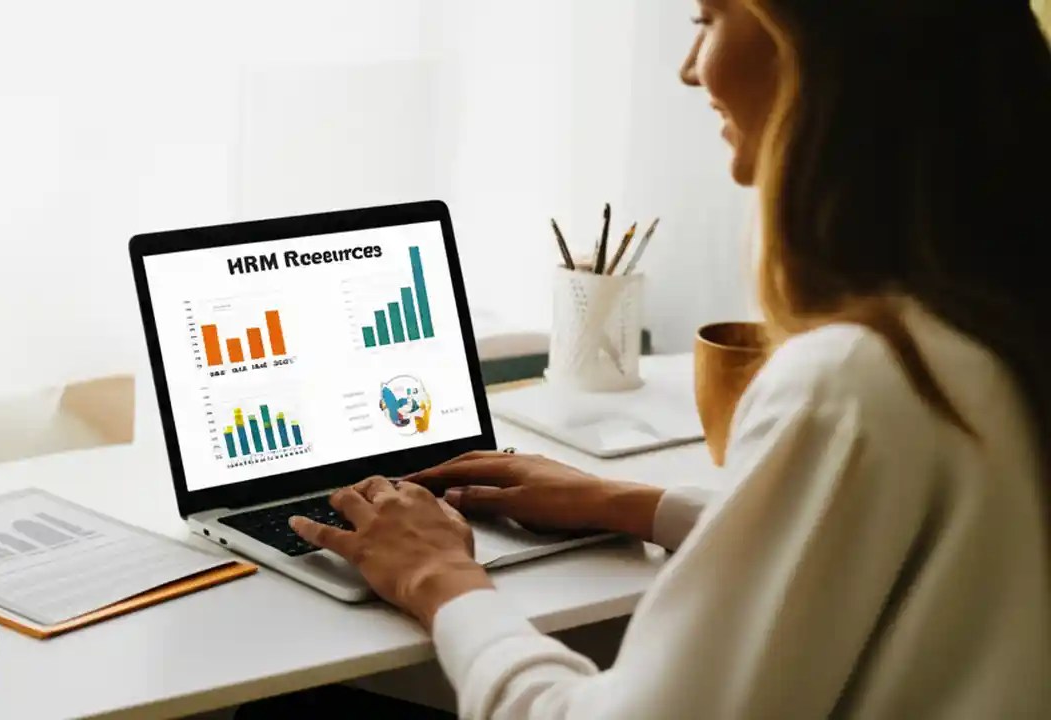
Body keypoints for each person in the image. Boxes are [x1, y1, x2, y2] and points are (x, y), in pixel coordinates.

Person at [287, 0, 1051, 717]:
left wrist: (438, 580)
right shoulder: (994, 330)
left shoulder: (858, 382)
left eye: (709, 17)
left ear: (815, 44)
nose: (691, 67)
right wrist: (631, 504)